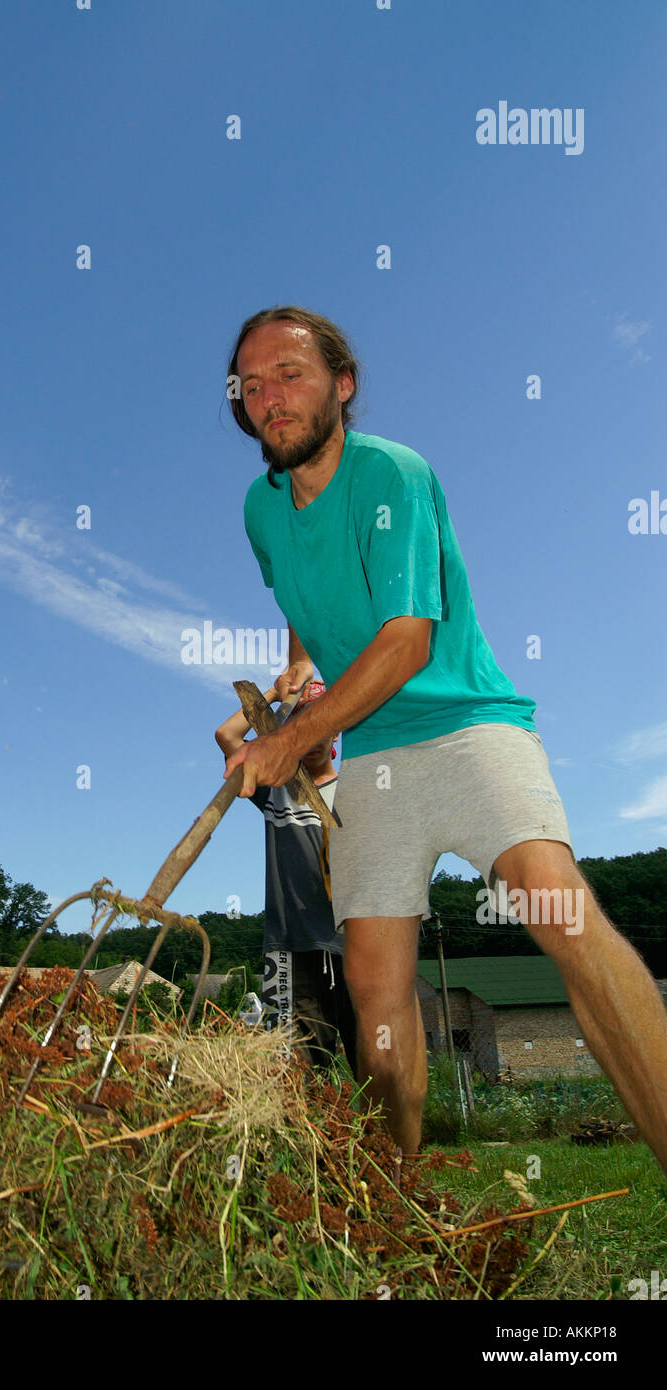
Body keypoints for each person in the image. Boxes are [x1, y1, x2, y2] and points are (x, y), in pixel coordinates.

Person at [221, 304, 667, 1170]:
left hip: (470, 724)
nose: (268, 396)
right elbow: (301, 602)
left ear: (342, 387)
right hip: (376, 755)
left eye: (291, 374)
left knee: (561, 914)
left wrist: (292, 741)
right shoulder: (259, 510)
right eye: (250, 382)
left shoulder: (394, 473)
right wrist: (296, 679)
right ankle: (396, 1215)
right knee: (374, 985)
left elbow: (405, 641)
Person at [215, 680, 358, 1077]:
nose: (310, 737)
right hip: (290, 949)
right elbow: (228, 735)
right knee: (297, 1071)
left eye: (319, 724)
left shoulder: (357, 790)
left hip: (355, 944)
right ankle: (309, 1137)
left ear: (335, 731)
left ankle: (386, 1140)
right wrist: (278, 696)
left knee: (376, 1060)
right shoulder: (277, 790)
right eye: (301, 726)